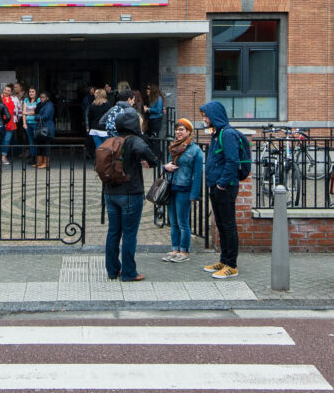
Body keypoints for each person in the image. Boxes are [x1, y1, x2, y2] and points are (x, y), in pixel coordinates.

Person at [100, 107, 161, 283]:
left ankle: (112, 270)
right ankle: (129, 272)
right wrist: (149, 161)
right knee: (129, 234)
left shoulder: (112, 140)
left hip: (110, 193)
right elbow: (152, 158)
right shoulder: (135, 141)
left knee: (113, 232)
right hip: (130, 193)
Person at [200, 100, 250, 280]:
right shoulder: (217, 134)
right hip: (216, 186)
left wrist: (221, 183)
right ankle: (223, 260)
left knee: (228, 226)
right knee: (221, 225)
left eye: (206, 116)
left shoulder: (227, 134)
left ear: (214, 115)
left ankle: (231, 265)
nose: (204, 119)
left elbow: (232, 161)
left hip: (225, 187)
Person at [161, 118, 203, 263]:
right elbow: (167, 165)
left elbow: (198, 175)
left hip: (185, 189)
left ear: (189, 132)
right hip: (171, 187)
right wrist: (165, 167)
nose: (178, 132)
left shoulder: (196, 150)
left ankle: (184, 251)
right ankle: (175, 249)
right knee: (173, 222)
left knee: (183, 222)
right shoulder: (173, 147)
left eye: (181, 130)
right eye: (176, 129)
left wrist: (194, 194)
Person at [32, 90, 55, 169]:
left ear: (47, 98)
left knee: (46, 144)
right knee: (39, 144)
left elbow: (46, 116)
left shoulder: (49, 105)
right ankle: (39, 162)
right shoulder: (40, 104)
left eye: (43, 97)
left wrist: (36, 117)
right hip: (40, 126)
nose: (41, 99)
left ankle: (46, 163)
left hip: (47, 126)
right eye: (40, 97)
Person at [2, 86, 20, 161]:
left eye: (8, 90)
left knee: (7, 140)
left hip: (11, 122)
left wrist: (17, 119)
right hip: (1, 122)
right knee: (0, 139)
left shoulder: (14, 99)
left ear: (11, 92)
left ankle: (3, 156)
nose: (6, 91)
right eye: (5, 90)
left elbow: (19, 109)